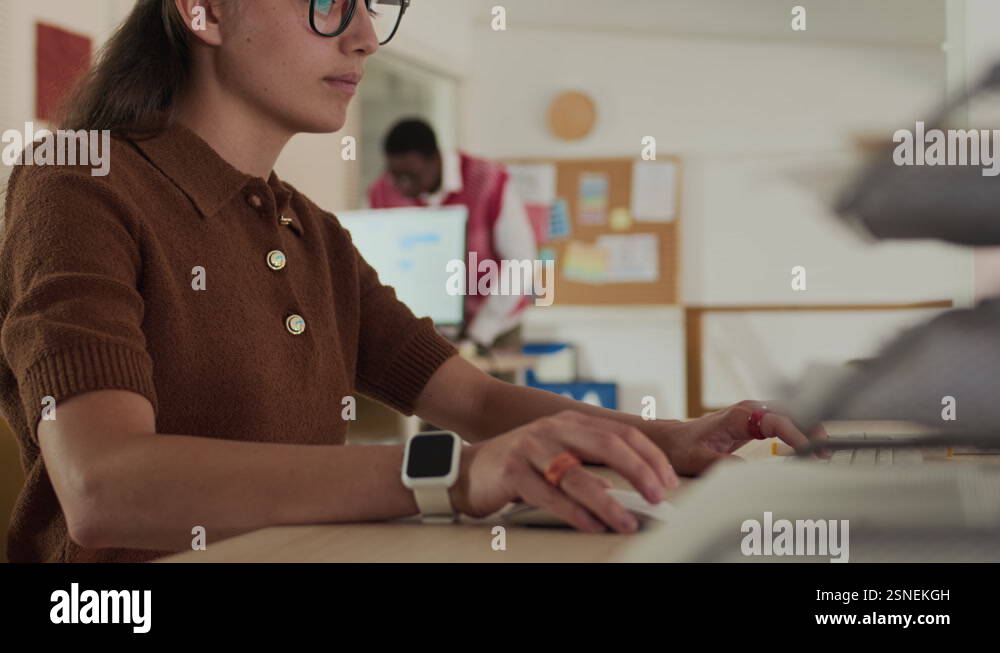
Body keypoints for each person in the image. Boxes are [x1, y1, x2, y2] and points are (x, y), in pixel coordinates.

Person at [0, 0, 827, 563]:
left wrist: (667, 437)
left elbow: (473, 399)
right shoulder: (81, 183)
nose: (364, 35)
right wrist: (452, 476)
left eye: (370, 5)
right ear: (205, 10)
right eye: (327, 0)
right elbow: (102, 484)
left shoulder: (310, 232)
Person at [367, 119, 538, 350]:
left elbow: (521, 262)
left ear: (435, 159)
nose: (401, 186)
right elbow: (375, 260)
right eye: (395, 175)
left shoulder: (488, 180)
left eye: (410, 176)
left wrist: (480, 332)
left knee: (489, 386)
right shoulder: (382, 191)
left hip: (493, 324)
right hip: (420, 332)